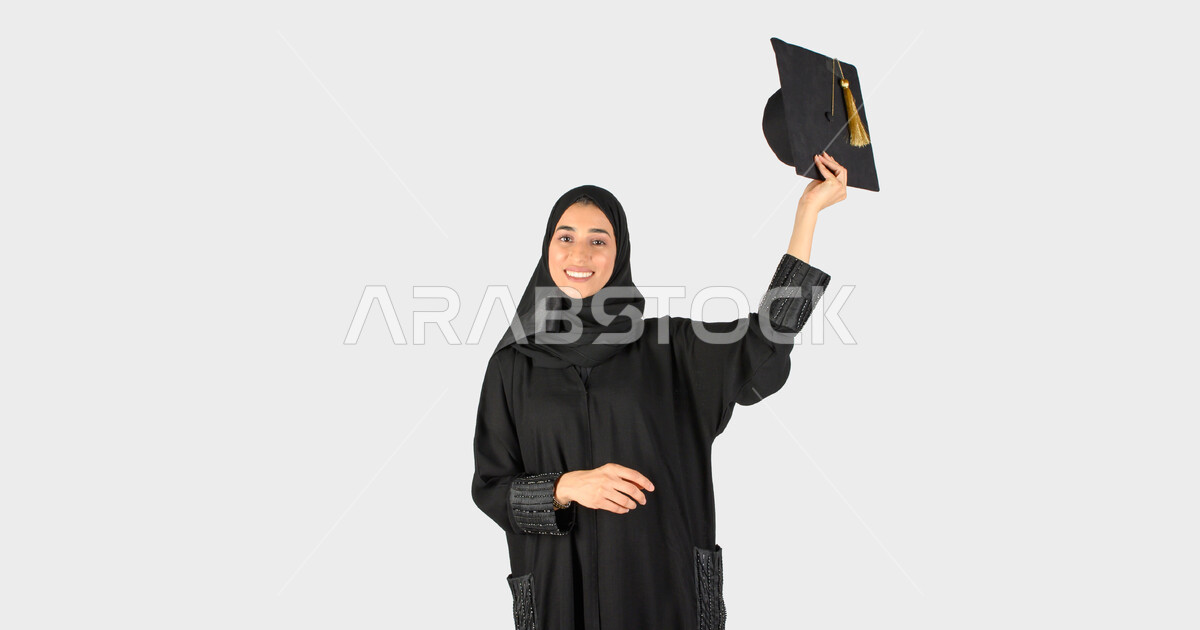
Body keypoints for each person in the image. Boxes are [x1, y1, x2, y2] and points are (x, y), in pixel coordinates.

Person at [471, 153, 848, 630]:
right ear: (547, 249)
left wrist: (807, 214)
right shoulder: (513, 365)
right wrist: (566, 486)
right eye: (565, 238)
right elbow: (490, 489)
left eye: (598, 240)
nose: (579, 255)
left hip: (663, 591)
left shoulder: (671, 348)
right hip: (559, 597)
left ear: (620, 253)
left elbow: (764, 343)